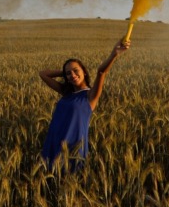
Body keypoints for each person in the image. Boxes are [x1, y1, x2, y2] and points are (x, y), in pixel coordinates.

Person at [39, 38, 130, 171]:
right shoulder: (66, 93)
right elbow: (43, 74)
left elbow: (102, 72)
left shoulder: (90, 95)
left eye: (76, 71)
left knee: (69, 181)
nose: (72, 75)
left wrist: (114, 54)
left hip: (73, 147)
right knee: (50, 181)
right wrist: (65, 72)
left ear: (84, 71)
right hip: (53, 142)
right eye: (68, 73)